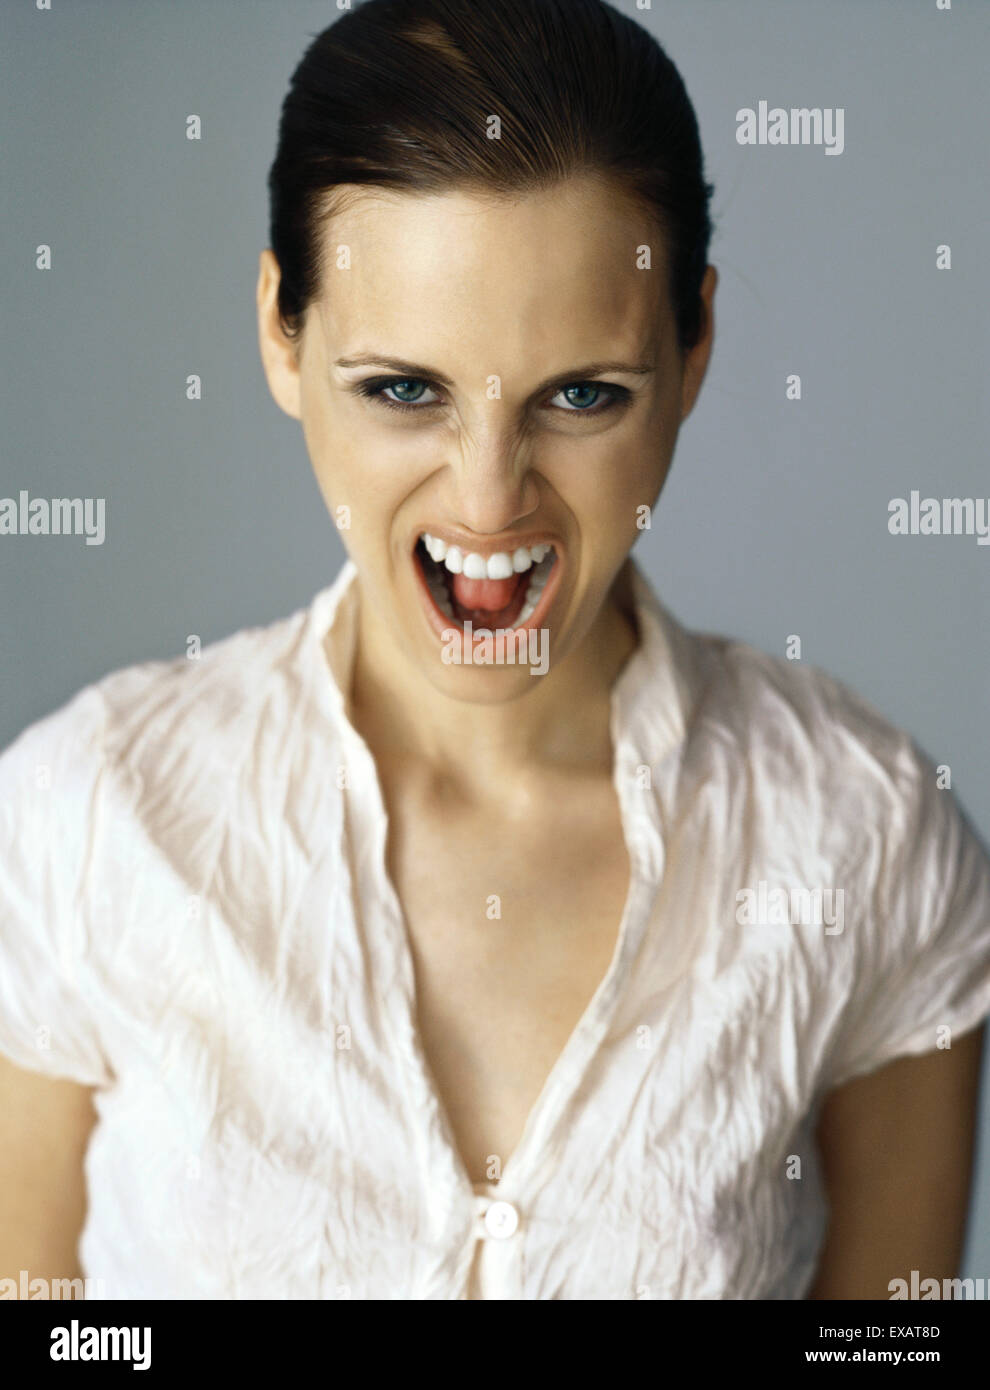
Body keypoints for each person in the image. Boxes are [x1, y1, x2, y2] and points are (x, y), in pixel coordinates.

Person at [2, 0, 989, 1302]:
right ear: (278, 334)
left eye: (581, 394)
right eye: (402, 387)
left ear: (691, 346)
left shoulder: (863, 839)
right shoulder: (84, 819)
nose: (486, 501)